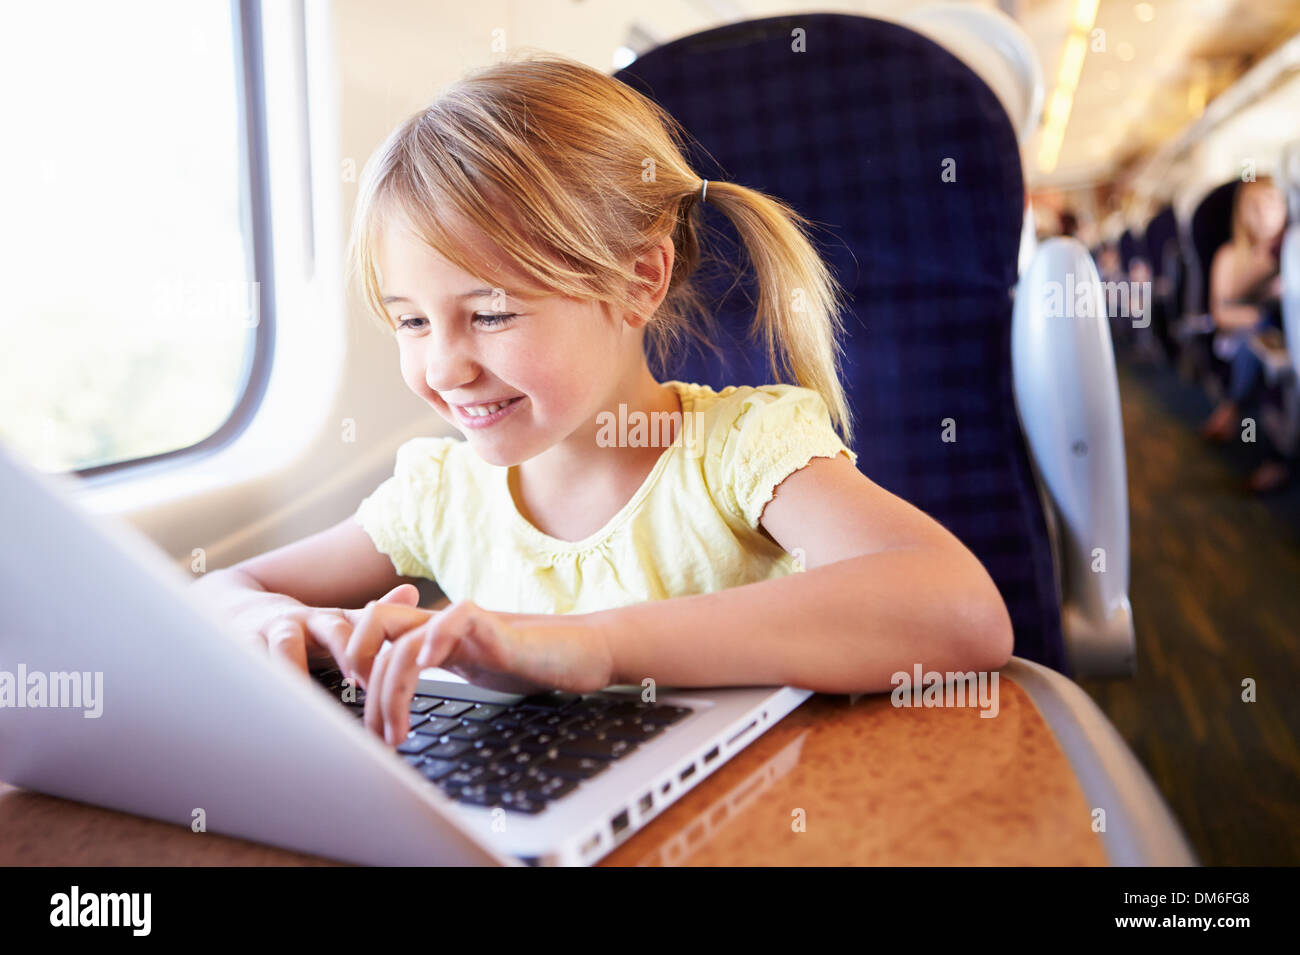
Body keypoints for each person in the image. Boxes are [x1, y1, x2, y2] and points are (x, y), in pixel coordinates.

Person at [191, 53, 1013, 748]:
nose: (444, 369)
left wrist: (589, 645)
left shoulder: (739, 455)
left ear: (637, 282)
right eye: (410, 321)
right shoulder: (439, 496)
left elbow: (961, 611)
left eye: (490, 314)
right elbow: (218, 588)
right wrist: (280, 625)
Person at [1198, 177, 1288, 491]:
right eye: (1258, 205)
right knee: (1257, 335)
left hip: (1282, 339)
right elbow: (1222, 311)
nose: (1267, 212)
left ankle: (1230, 411)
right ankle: (1274, 457)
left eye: (1274, 202)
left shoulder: (1291, 249)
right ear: (1244, 212)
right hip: (1240, 339)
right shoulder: (1229, 255)